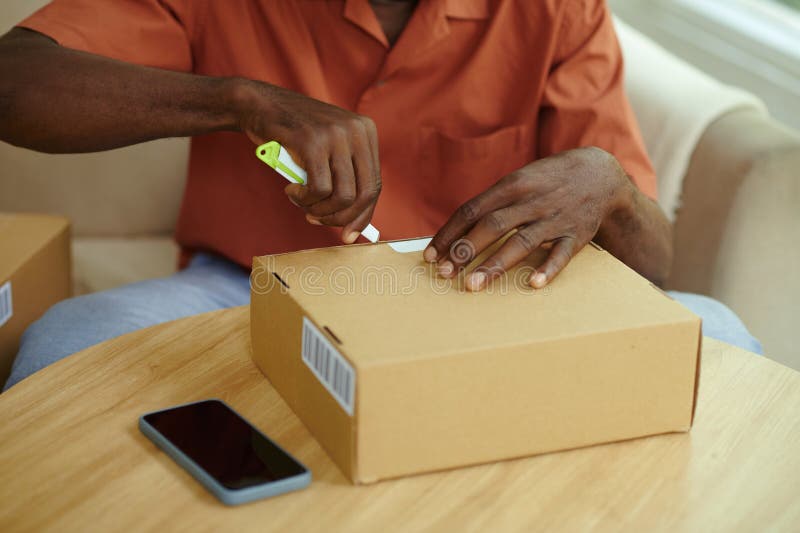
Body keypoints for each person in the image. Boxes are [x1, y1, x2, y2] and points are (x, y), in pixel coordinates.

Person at [0, 0, 761, 390]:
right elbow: (14, 81)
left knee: (721, 333)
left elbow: (655, 270)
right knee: (71, 340)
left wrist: (611, 190)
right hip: (245, 291)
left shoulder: (555, 11)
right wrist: (240, 101)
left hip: (482, 300)